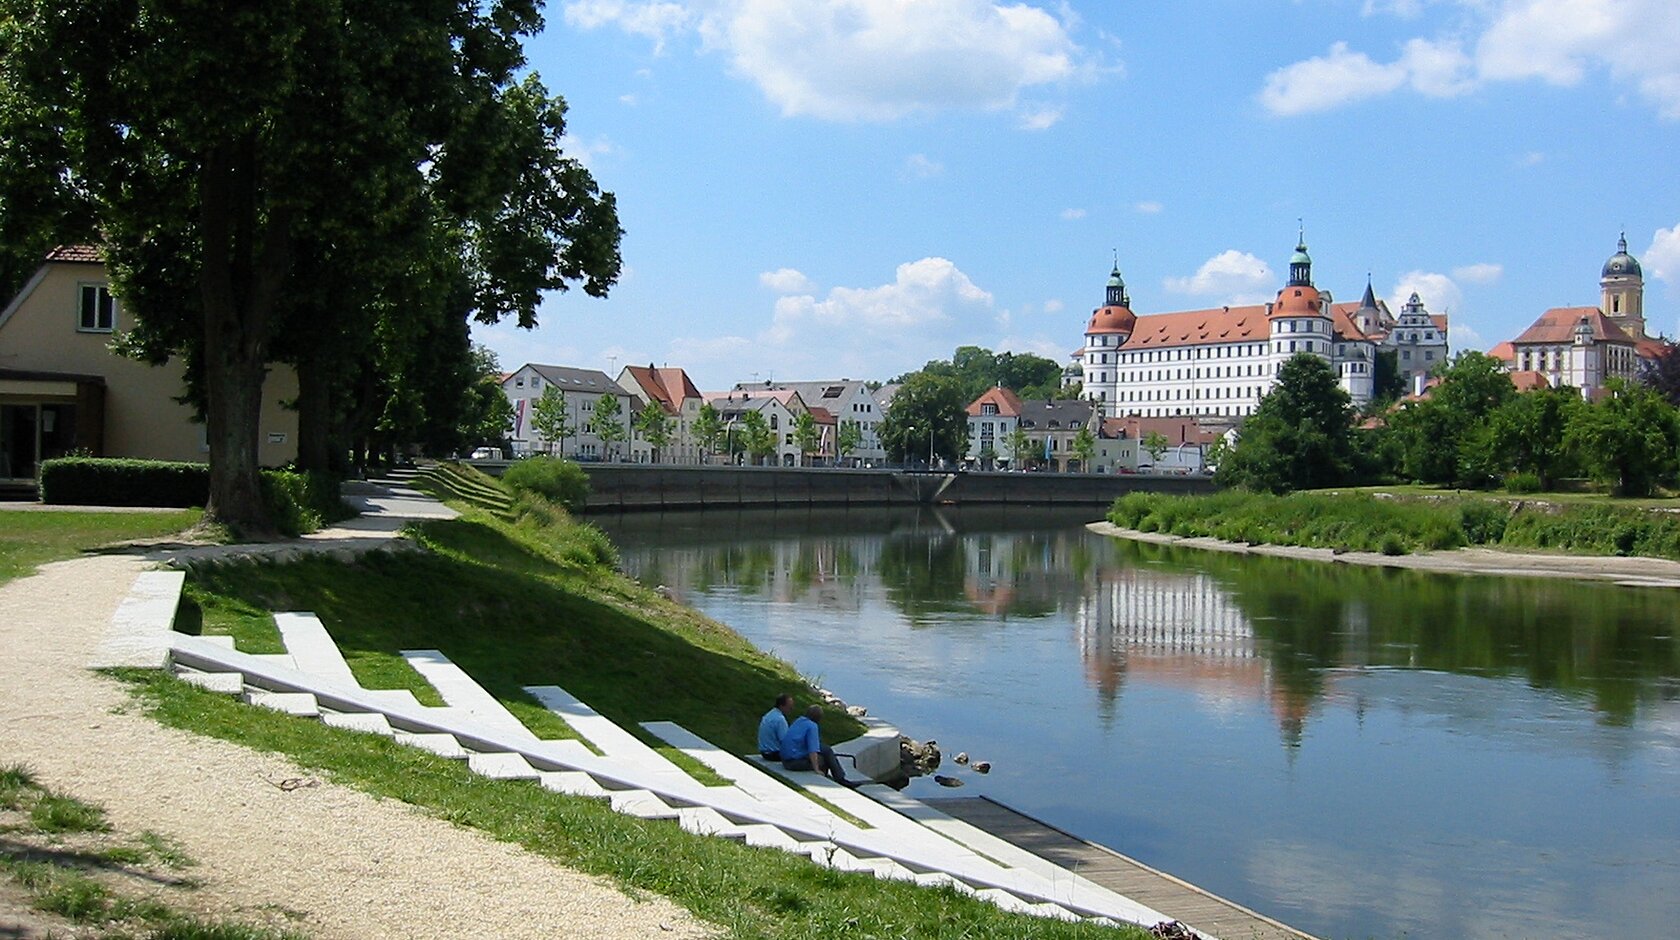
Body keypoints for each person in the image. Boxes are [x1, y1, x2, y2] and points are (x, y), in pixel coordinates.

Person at [779, 704, 853, 786]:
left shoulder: (799, 720)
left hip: (785, 759)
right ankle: (838, 779)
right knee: (824, 760)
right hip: (793, 763)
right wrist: (816, 769)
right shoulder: (812, 726)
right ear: (818, 719)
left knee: (826, 749)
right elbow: (812, 750)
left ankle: (838, 777)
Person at [757, 693, 794, 760]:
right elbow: (785, 741)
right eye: (789, 707)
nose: (791, 709)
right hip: (774, 754)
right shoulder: (780, 719)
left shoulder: (768, 715)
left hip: (764, 752)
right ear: (781, 706)